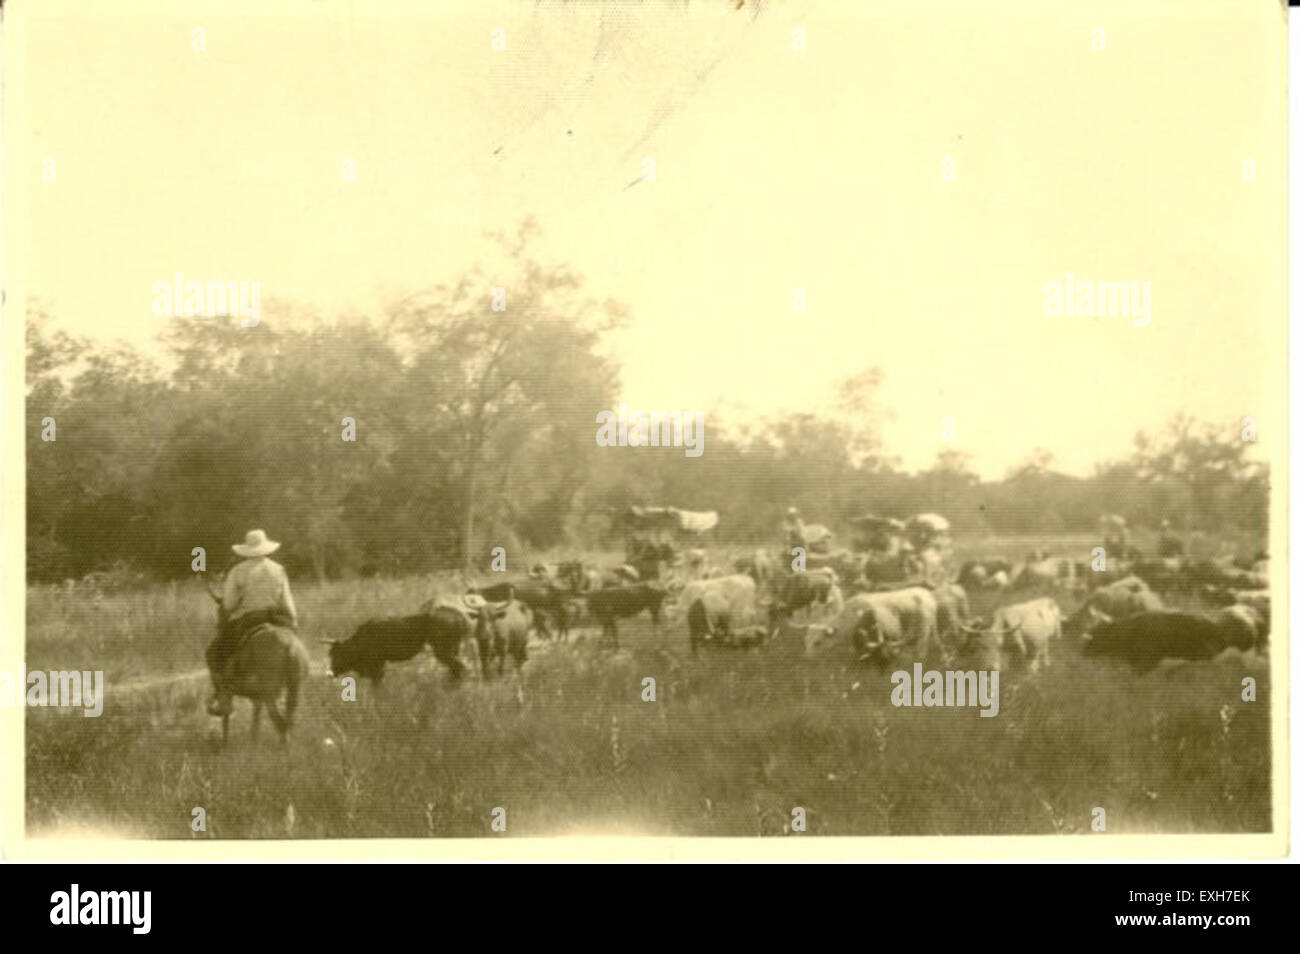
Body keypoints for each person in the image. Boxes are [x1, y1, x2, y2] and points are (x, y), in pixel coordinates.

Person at [207, 529, 298, 716]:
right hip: (277, 618)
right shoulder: (278, 569)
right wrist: (293, 623)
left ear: (246, 549)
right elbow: (288, 602)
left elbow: (229, 604)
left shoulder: (238, 571)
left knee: (215, 653)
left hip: (249, 620)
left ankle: (224, 700)